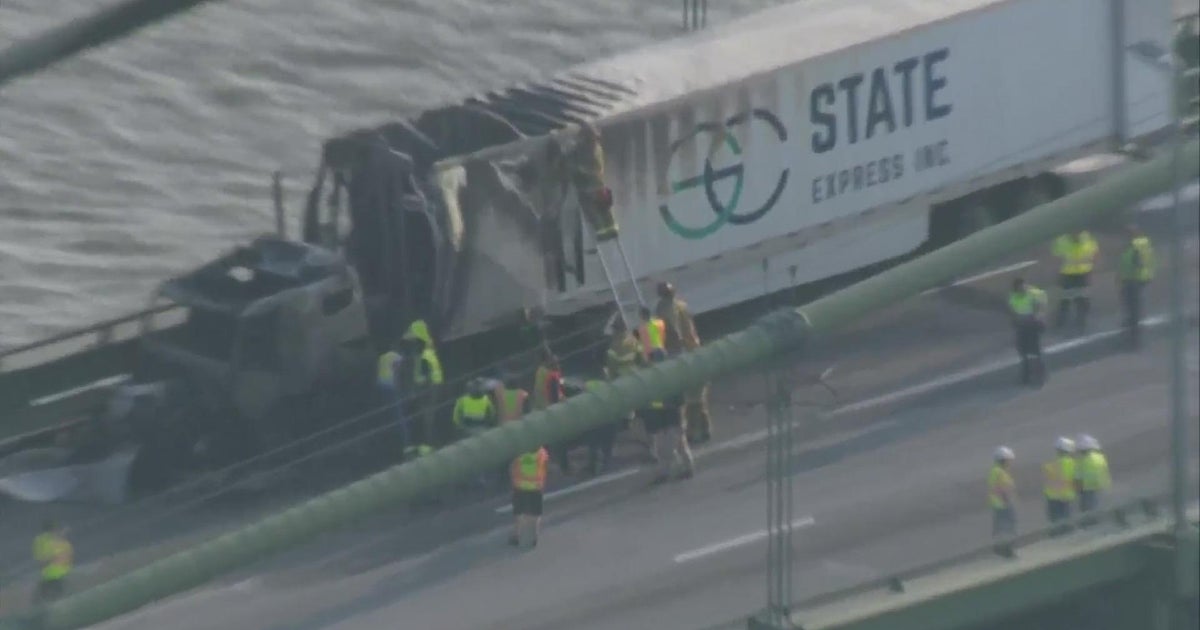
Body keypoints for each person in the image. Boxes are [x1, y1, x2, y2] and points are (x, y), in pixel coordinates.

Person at [654, 282, 712, 444]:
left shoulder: (662, 310)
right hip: (693, 350)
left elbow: (671, 333)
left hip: (680, 354)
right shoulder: (682, 306)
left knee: (688, 399)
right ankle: (705, 428)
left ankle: (693, 432)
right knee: (699, 396)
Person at [640, 354, 695, 484]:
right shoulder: (665, 379)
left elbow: (672, 403)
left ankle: (666, 473)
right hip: (667, 420)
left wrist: (655, 405)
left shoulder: (668, 381)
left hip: (672, 420)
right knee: (678, 446)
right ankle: (687, 468)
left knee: (667, 449)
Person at [569, 123, 618, 241]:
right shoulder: (597, 147)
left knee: (591, 211)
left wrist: (577, 167)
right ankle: (612, 230)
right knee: (605, 209)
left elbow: (584, 166)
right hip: (599, 184)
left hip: (589, 187)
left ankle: (601, 233)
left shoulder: (587, 150)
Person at [402, 319, 445, 445]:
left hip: (429, 392)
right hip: (434, 389)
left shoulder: (424, 356)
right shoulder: (429, 352)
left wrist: (415, 388)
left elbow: (423, 377)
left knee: (426, 421)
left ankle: (427, 445)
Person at [532, 348, 571, 474]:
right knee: (561, 441)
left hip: (541, 411)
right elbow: (555, 396)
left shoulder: (540, 371)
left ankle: (541, 466)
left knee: (544, 444)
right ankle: (565, 467)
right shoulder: (551, 376)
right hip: (552, 412)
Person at [1117, 225, 1156, 350]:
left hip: (1133, 280)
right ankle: (1133, 333)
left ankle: (1134, 339)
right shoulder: (1144, 243)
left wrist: (1123, 277)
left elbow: (1136, 262)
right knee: (1135, 308)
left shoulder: (1133, 246)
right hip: (1141, 278)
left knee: (1133, 309)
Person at [1051, 231, 1099, 330]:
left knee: (1083, 300)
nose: (1076, 236)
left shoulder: (1087, 239)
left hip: (1083, 274)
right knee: (1065, 300)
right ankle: (1061, 322)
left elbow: (1095, 254)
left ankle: (1081, 323)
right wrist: (1057, 273)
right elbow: (1055, 258)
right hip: (1068, 274)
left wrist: (1092, 268)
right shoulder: (1062, 241)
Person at [1008, 278, 1049, 387]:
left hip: (1032, 325)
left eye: (1023, 287)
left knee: (1035, 351)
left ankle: (1040, 372)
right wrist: (1015, 322)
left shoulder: (1033, 295)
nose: (1022, 289)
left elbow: (1041, 306)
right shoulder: (1013, 297)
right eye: (1019, 288)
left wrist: (1040, 319)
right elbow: (1013, 311)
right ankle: (1026, 374)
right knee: (1023, 351)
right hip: (1022, 326)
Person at [509, 446, 550, 548]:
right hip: (536, 487)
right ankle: (534, 537)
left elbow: (513, 469)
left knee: (519, 512)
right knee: (536, 514)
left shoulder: (519, 453)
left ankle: (517, 536)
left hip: (520, 487)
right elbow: (545, 467)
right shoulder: (541, 453)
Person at [32, 520, 72, 605]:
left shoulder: (39, 540)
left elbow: (40, 560)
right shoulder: (53, 538)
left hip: (48, 573)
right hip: (57, 573)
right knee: (57, 592)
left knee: (45, 593)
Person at [1043, 436, 1077, 533]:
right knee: (1067, 525)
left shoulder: (1050, 465)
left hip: (1052, 498)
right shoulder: (1073, 463)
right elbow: (1077, 480)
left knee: (1055, 525)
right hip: (1066, 498)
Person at [376, 345, 408, 447]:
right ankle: (405, 441)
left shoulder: (382, 357)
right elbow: (398, 373)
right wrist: (400, 389)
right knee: (397, 413)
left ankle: (388, 440)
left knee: (387, 414)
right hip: (390, 386)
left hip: (380, 386)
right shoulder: (396, 356)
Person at [989, 446, 1017, 556]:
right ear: (1004, 460)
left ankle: (999, 549)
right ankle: (1008, 551)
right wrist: (1008, 502)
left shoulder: (995, 471)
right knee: (1008, 529)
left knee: (1000, 528)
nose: (1010, 463)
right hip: (1004, 505)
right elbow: (1003, 489)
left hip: (997, 504)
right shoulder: (1000, 472)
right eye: (1009, 460)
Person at [1074, 434, 1111, 516]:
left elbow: (1078, 478)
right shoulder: (1100, 457)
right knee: (1099, 509)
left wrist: (1077, 490)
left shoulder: (1082, 461)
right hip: (1101, 487)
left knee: (1088, 513)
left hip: (1087, 490)